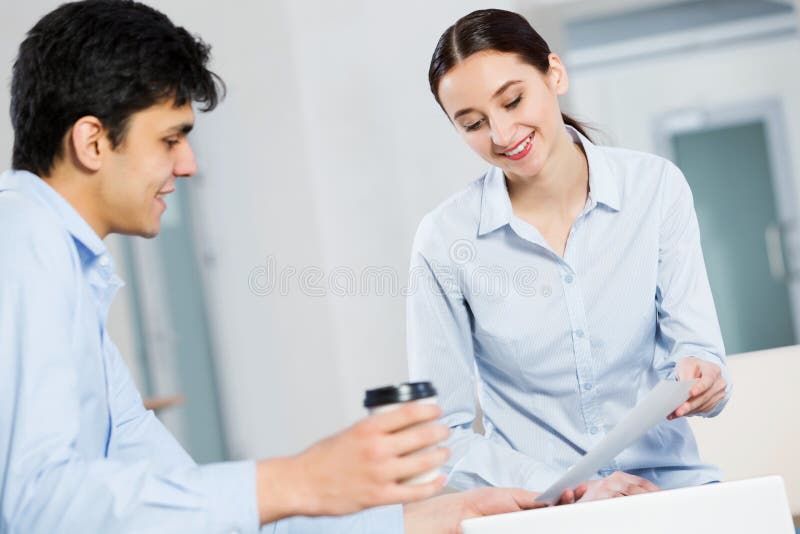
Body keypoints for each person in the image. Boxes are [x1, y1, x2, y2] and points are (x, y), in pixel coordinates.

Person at [0, 2, 545, 532]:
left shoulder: (67, 267)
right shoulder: (22, 243)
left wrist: (430, 518)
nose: (187, 165)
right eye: (170, 139)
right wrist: (298, 480)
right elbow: (35, 506)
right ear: (92, 142)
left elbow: (200, 512)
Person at [407, 8, 732, 501]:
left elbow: (699, 349)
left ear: (554, 73)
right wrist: (566, 489)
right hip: (547, 511)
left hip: (671, 490)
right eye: (473, 124)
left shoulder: (655, 188)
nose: (501, 134)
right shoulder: (444, 241)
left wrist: (705, 378)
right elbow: (440, 438)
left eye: (513, 100)